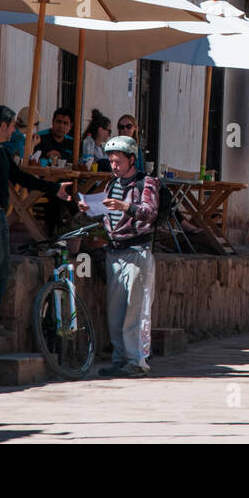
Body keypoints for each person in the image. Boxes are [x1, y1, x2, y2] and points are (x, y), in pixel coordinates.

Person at [0, 105, 71, 334]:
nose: (14, 130)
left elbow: (19, 176)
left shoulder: (0, 150)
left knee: (2, 268)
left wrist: (53, 188)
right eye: (12, 125)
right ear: (2, 125)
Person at [78, 135, 158, 377]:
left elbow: (149, 212)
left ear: (132, 160)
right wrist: (90, 208)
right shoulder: (111, 184)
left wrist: (125, 207)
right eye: (111, 161)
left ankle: (137, 361)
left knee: (136, 310)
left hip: (137, 252)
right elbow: (106, 214)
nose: (114, 166)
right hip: (114, 252)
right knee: (115, 313)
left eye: (118, 161)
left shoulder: (147, 183)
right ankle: (119, 359)